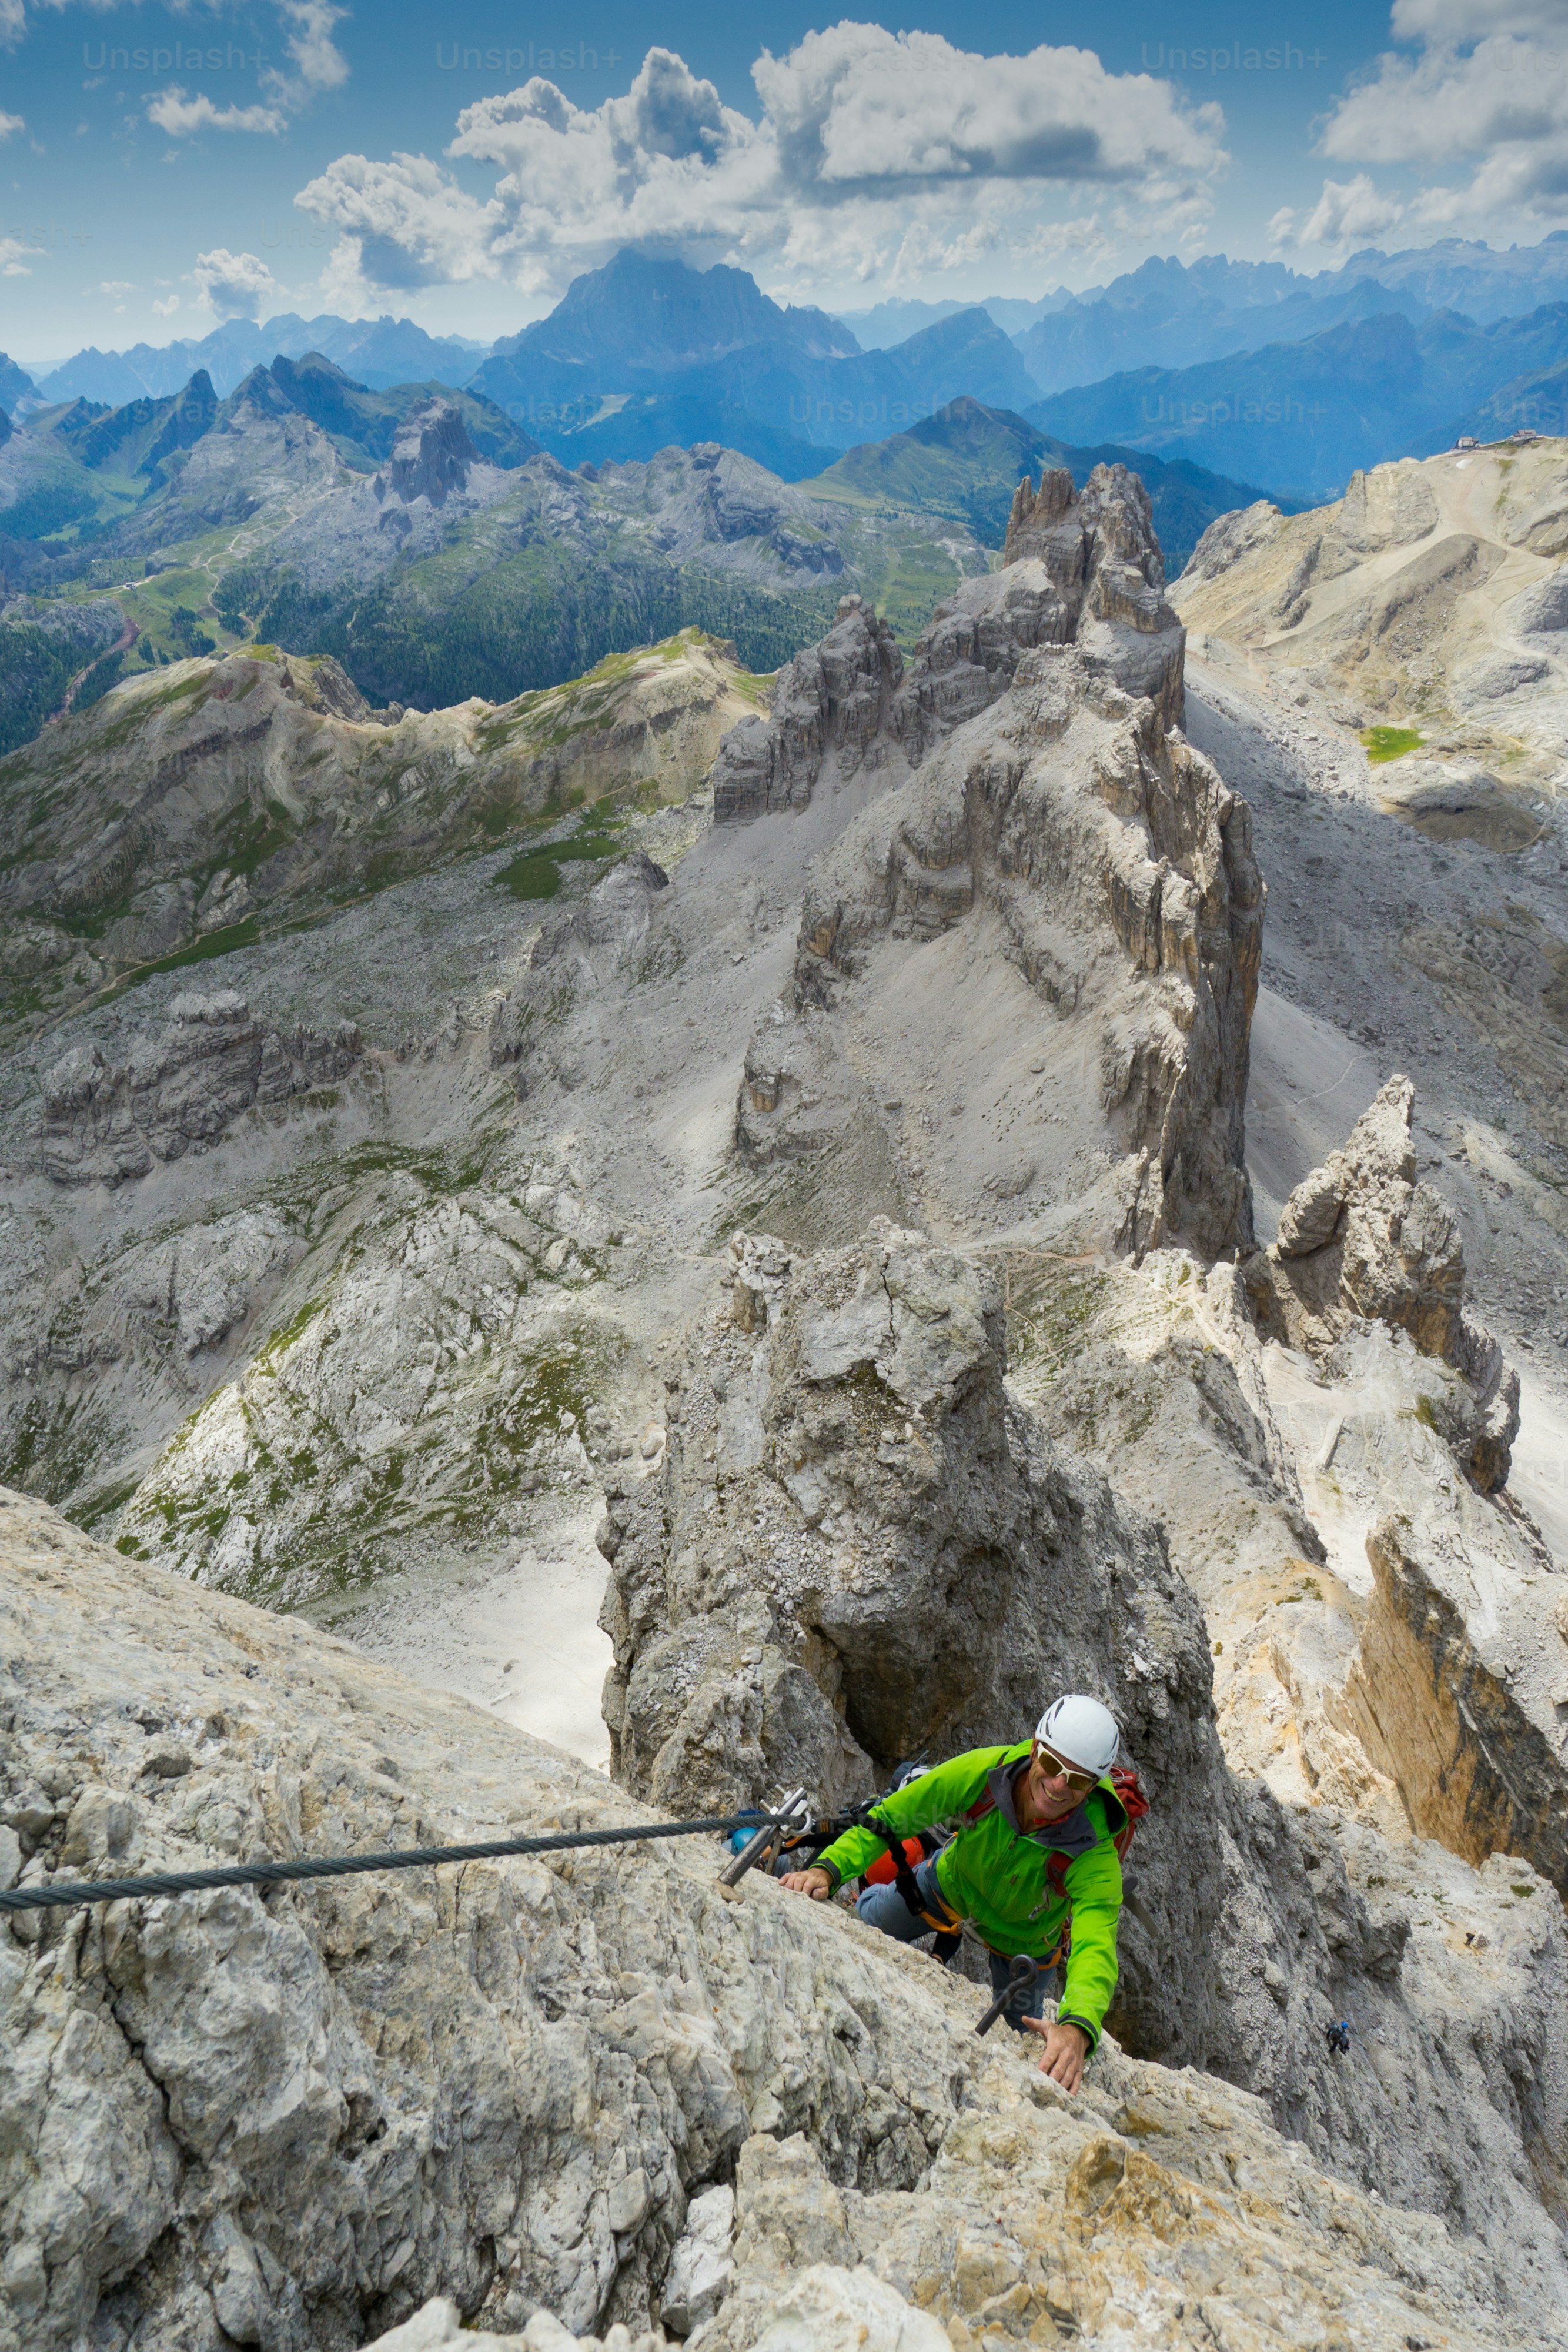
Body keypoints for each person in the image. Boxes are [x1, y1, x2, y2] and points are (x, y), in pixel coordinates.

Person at [781, 1695, 1126, 2094]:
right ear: (1035, 1749)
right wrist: (828, 1868)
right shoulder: (983, 1773)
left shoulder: (1093, 1849)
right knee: (864, 1923)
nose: (1057, 1785)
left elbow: (1095, 1942)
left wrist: (1077, 2026)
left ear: (1093, 1786)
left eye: (1077, 1780)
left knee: (1027, 2041)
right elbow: (891, 1817)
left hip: (1025, 1944)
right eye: (1051, 1765)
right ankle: (864, 1898)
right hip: (946, 1888)